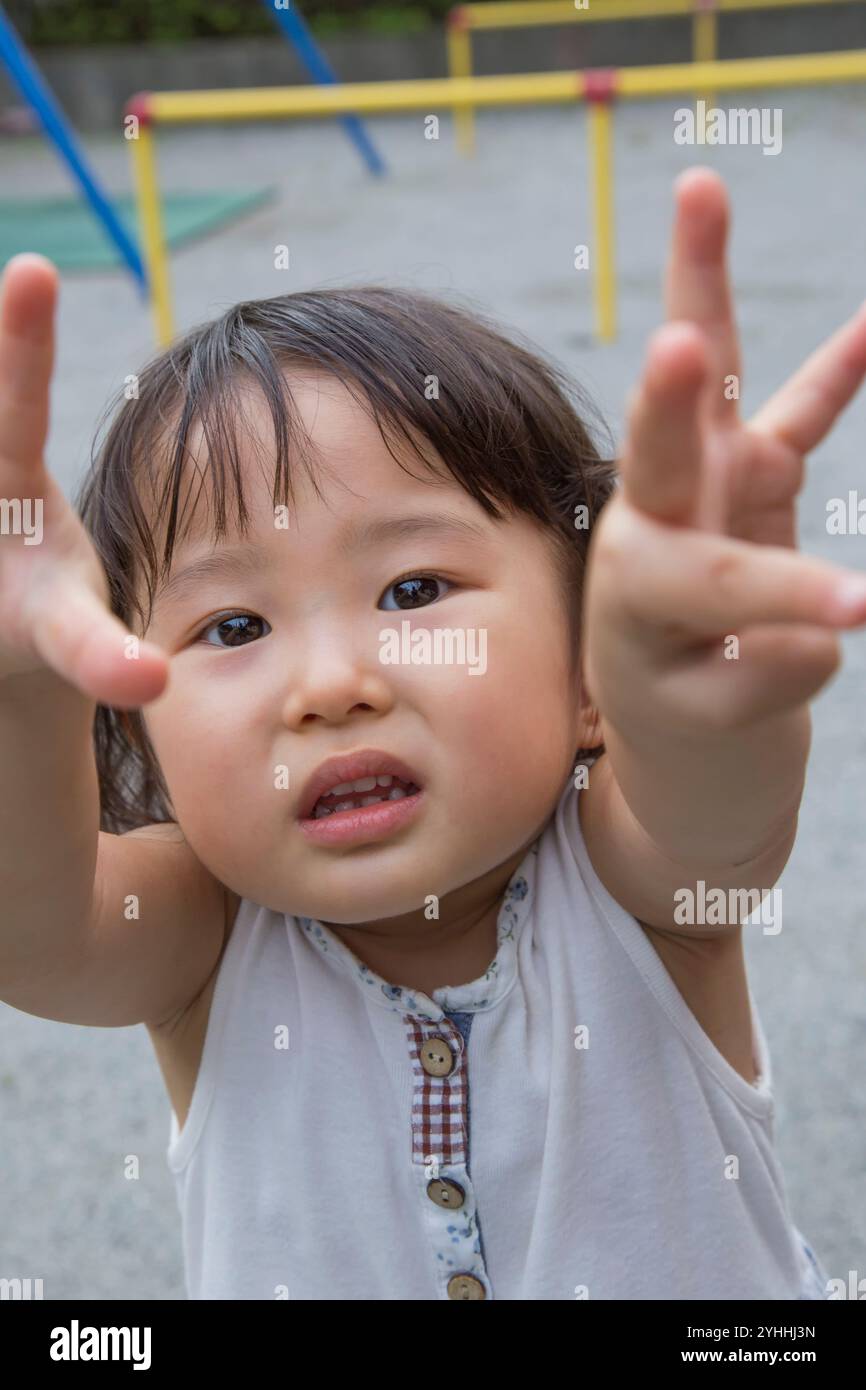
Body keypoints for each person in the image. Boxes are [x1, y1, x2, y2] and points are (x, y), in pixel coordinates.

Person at [1, 167, 863, 1300]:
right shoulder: (201, 942)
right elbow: (37, 928)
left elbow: (718, 811)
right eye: (234, 623)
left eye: (412, 591)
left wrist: (686, 688)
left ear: (585, 670)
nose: (328, 684)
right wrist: (23, 694)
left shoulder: (636, 894)